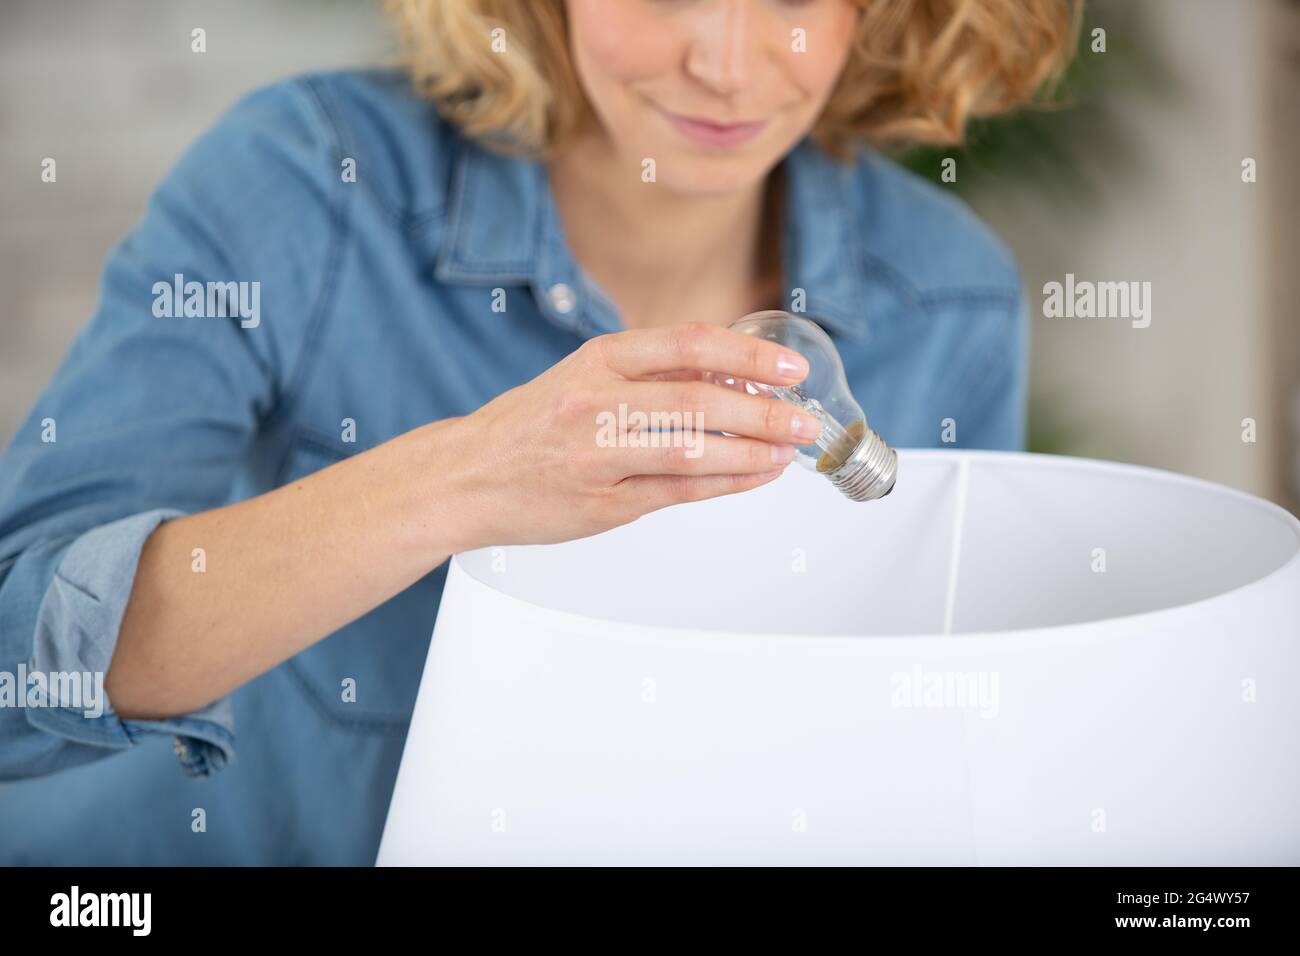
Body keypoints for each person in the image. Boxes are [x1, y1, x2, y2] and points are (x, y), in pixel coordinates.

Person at [0, 0, 1078, 863]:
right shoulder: (302, 185)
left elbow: (939, 749)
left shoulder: (951, 295)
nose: (729, 61)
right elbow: (17, 669)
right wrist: (466, 477)